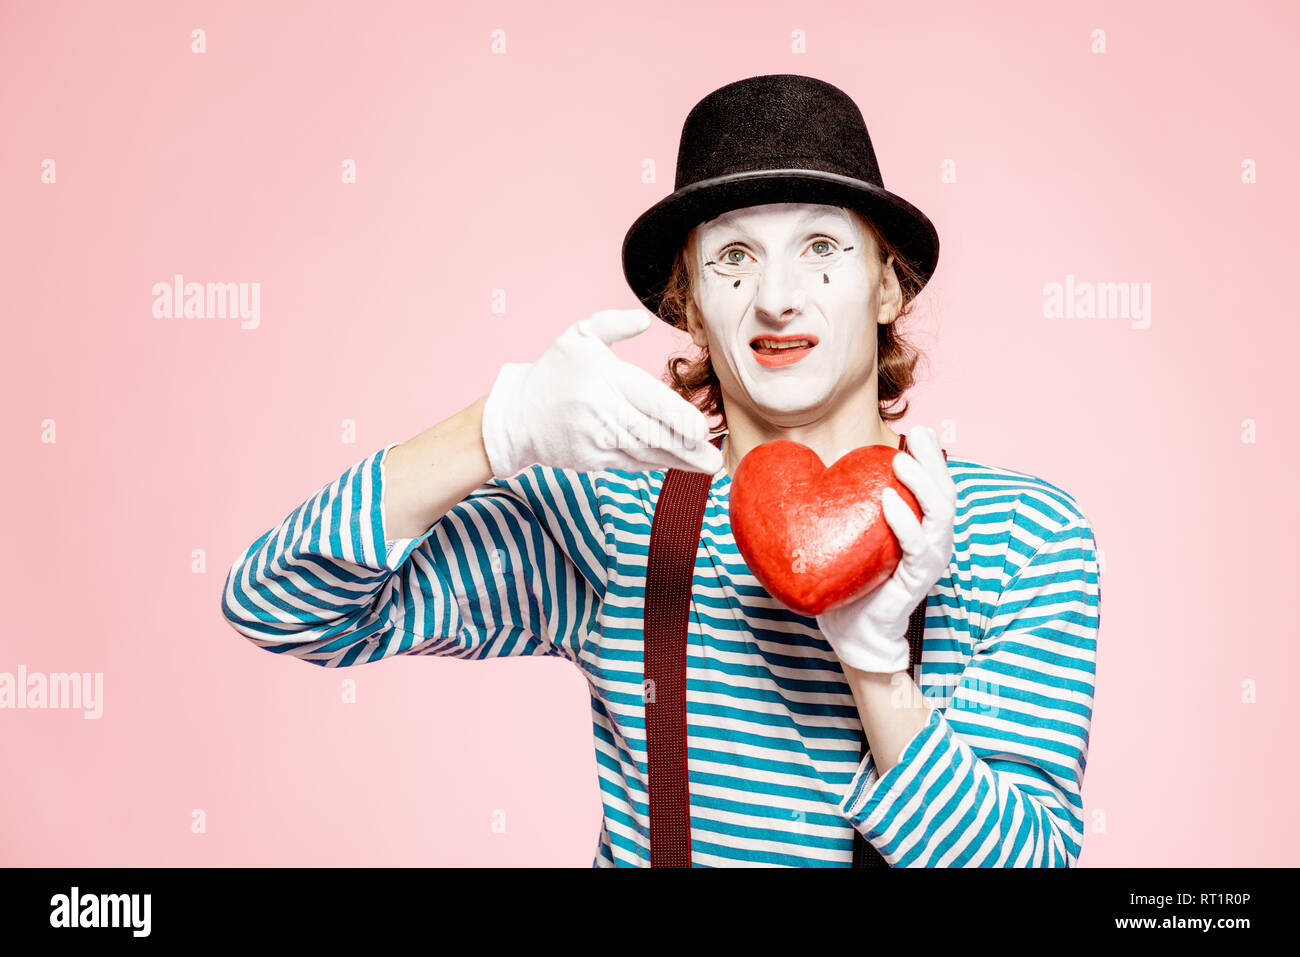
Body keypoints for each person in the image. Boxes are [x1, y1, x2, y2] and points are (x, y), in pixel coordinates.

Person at [221, 74, 1101, 867]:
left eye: (823, 248)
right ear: (688, 302)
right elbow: (282, 603)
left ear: (887, 288)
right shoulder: (617, 517)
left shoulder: (1023, 534)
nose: (776, 297)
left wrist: (877, 671)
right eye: (733, 257)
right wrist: (497, 428)